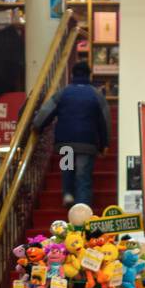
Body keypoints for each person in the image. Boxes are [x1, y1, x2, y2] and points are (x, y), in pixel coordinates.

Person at [32, 61, 111, 207]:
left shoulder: (63, 93)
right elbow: (105, 120)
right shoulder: (96, 95)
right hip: (87, 143)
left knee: (67, 168)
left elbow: (46, 111)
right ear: (89, 75)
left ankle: (68, 194)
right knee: (83, 176)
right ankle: (82, 209)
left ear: (72, 75)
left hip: (66, 143)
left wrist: (37, 125)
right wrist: (104, 143)